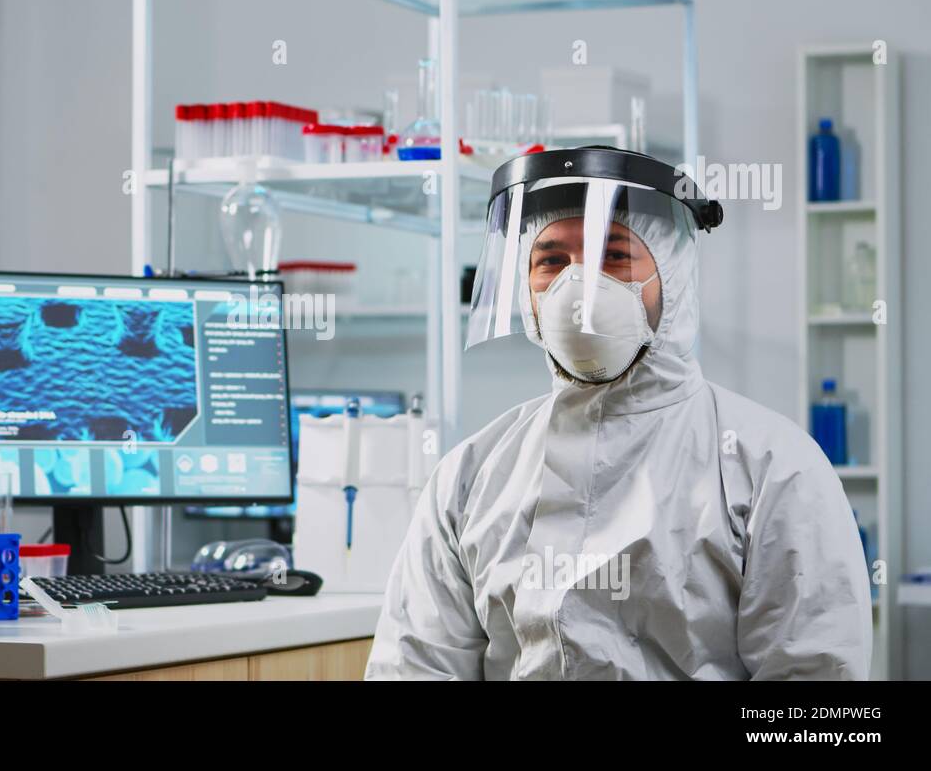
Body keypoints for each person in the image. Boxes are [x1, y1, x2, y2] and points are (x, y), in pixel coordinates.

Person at [366, 147, 872, 680]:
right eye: (552, 262)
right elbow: (415, 666)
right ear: (526, 287)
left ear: (671, 276)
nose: (578, 291)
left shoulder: (770, 467)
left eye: (613, 256)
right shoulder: (470, 478)